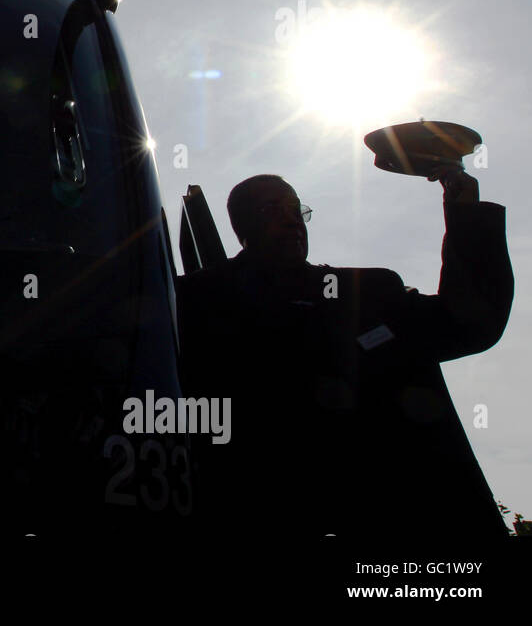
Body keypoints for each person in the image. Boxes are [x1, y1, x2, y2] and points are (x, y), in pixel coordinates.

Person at [176, 169, 513, 539]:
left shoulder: (369, 293)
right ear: (241, 225)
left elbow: (467, 324)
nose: (290, 218)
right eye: (272, 209)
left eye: (295, 208)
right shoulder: (194, 302)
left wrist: (463, 212)